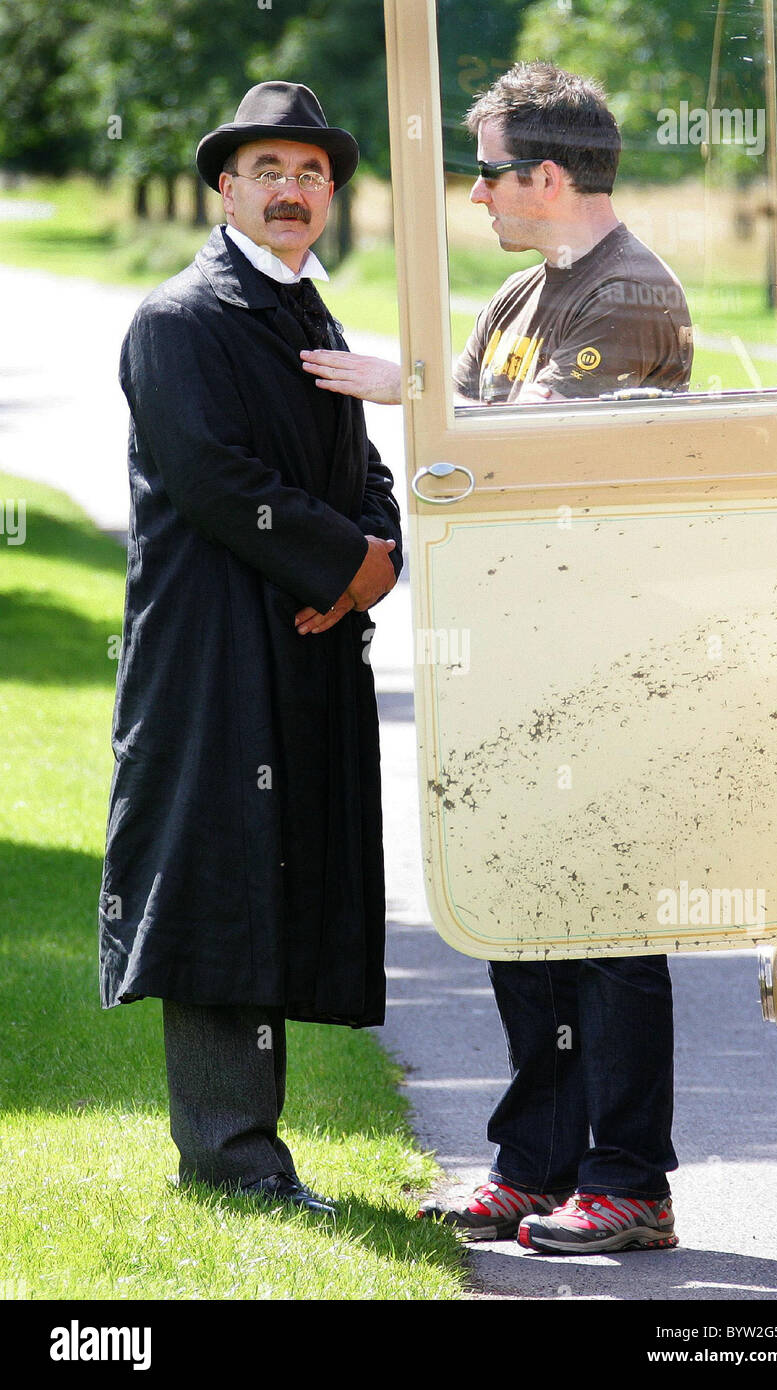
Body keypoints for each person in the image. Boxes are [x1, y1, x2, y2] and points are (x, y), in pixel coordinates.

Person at [301, 61, 691, 1254]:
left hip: (600, 664)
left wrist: (405, 390)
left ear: (551, 175)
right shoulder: (526, 292)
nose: (474, 198)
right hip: (520, 660)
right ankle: (538, 1164)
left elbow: (524, 454)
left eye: (487, 173)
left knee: (608, 929)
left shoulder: (625, 295)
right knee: (525, 914)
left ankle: (629, 1182)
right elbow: (465, 440)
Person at [98, 81, 402, 1217]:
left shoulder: (309, 312)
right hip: (212, 652)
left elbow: (360, 467)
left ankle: (251, 1153)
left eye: (310, 172)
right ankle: (227, 1160)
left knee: (278, 877)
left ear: (330, 196)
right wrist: (345, 565)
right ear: (223, 187)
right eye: (266, 170)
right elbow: (221, 483)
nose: (290, 189)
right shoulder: (181, 318)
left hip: (305, 639)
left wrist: (377, 550)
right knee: (222, 883)